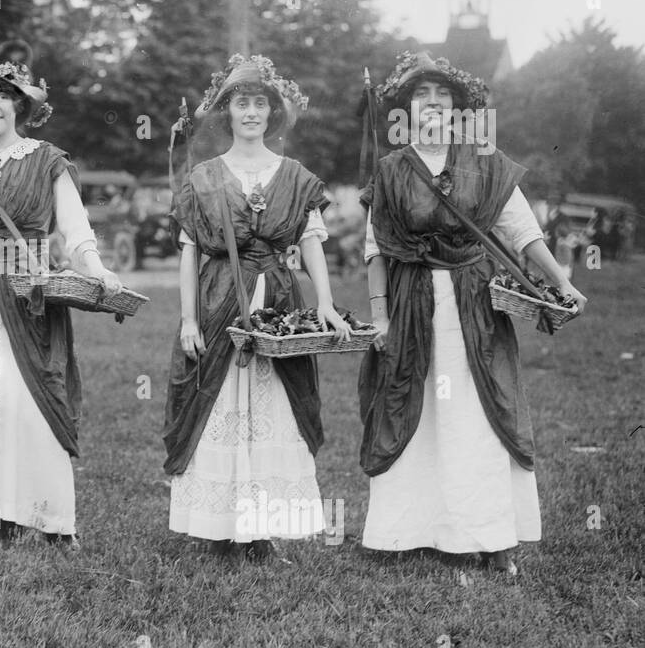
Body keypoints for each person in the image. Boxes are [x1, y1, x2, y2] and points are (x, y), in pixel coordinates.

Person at [360, 51, 588, 575]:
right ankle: (418, 531)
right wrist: (380, 316)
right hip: (412, 302)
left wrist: (562, 281)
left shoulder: (482, 160)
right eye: (422, 95)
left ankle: (490, 535)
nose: (433, 104)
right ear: (406, 108)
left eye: (443, 96)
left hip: (474, 304)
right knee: (417, 410)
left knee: (478, 414)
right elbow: (378, 249)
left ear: (459, 108)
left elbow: (521, 230)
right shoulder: (392, 170)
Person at [162, 54, 351, 560]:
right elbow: (189, 252)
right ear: (228, 114)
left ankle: (262, 531)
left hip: (280, 302)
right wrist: (187, 319)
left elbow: (312, 243)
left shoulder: (292, 175)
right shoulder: (203, 177)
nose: (250, 112)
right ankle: (219, 525)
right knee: (220, 400)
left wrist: (326, 304)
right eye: (241, 103)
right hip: (219, 296)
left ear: (272, 114)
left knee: (274, 404)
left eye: (259, 104)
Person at [0, 62, 121, 545]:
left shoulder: (47, 161)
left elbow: (76, 233)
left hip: (29, 297)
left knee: (33, 399)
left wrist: (97, 270)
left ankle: (52, 521)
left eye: (2, 95)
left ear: (20, 105)